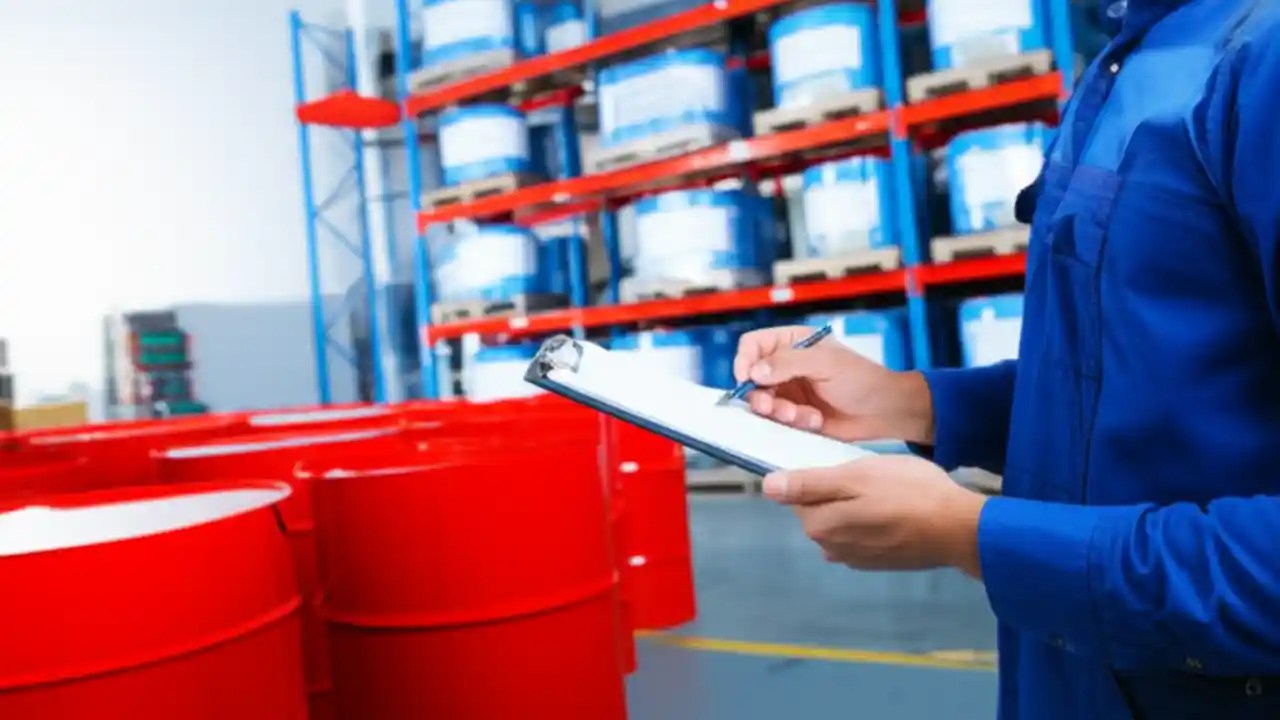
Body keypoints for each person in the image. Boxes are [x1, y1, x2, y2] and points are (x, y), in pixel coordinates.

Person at [734, 1, 1280, 718]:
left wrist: (975, 536)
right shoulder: (1136, 56)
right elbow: (1152, 371)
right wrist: (914, 401)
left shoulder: (1259, 55)